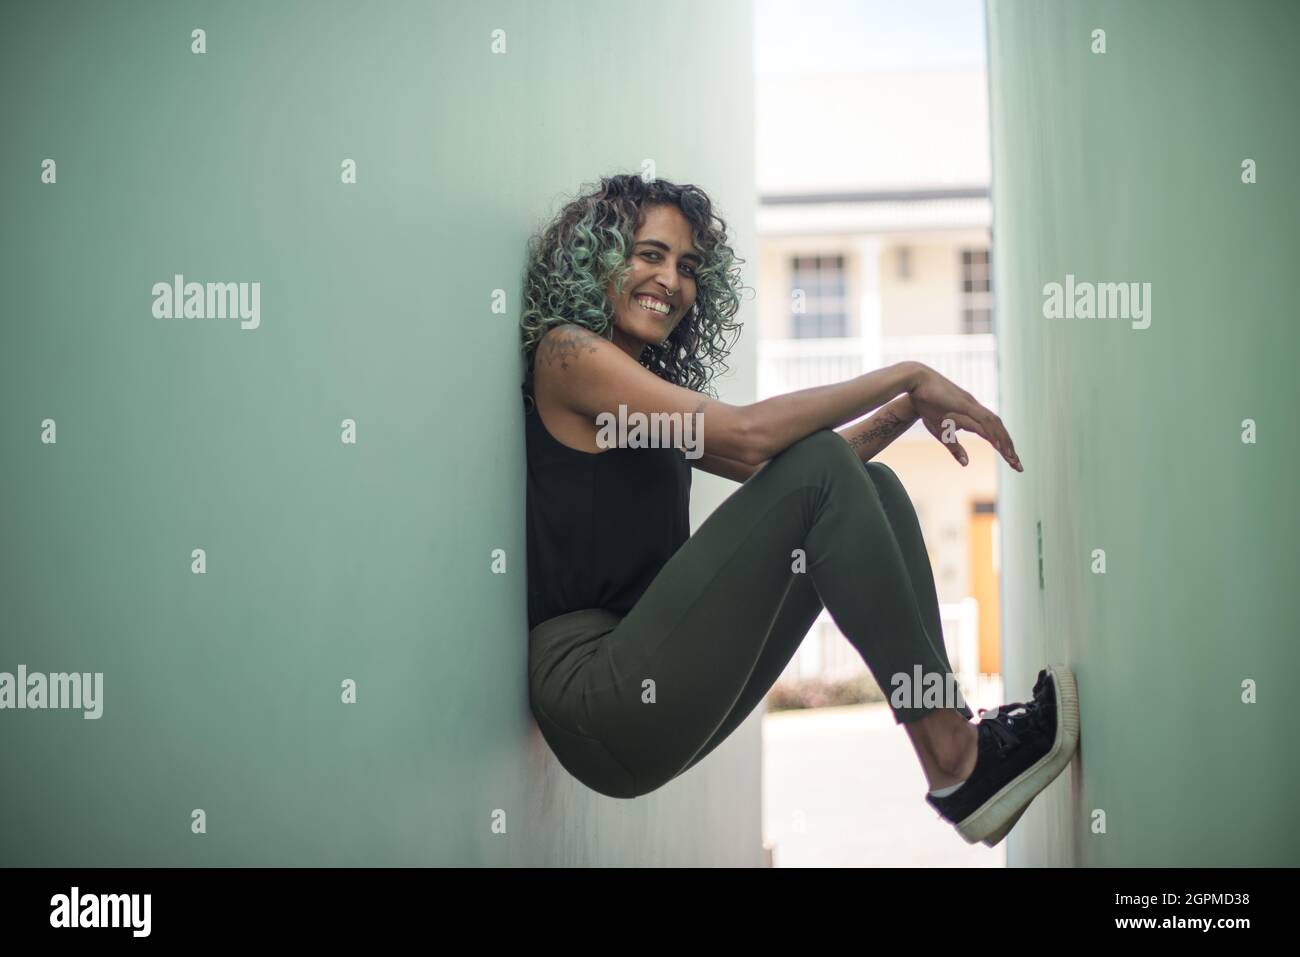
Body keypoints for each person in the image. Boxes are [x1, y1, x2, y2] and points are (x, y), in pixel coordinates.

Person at [518, 173, 1079, 847]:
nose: (670, 279)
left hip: (646, 677)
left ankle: (952, 759)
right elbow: (754, 436)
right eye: (649, 253)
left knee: (873, 487)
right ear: (598, 254)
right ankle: (958, 752)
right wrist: (906, 372)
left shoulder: (644, 396)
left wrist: (906, 410)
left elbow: (810, 473)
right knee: (825, 473)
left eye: (688, 266)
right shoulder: (567, 354)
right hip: (594, 692)